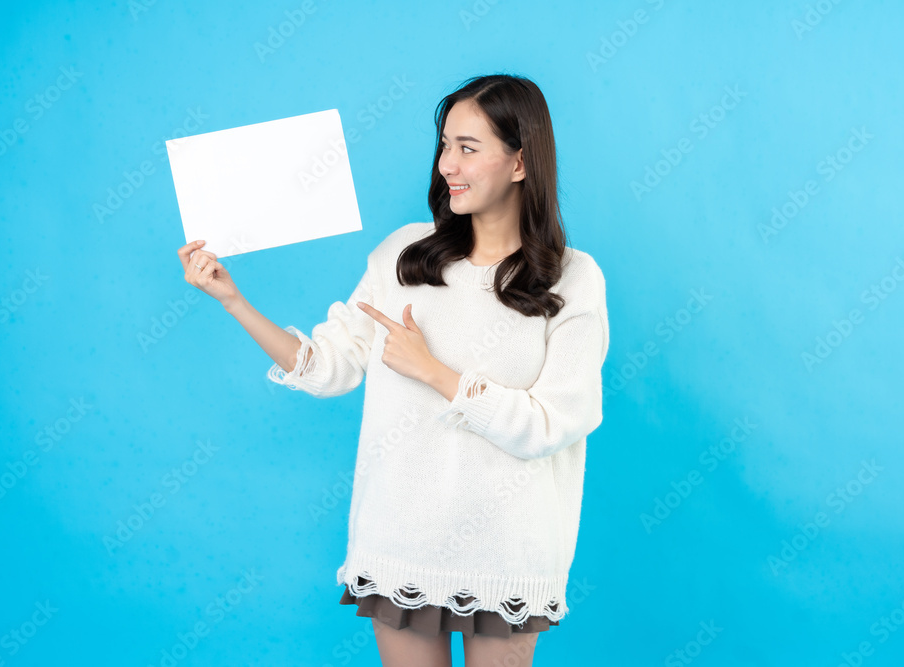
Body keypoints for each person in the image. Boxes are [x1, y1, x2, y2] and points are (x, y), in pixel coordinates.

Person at [176, 73, 609, 667]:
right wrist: (233, 301)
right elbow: (326, 367)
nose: (447, 165)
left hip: (509, 551)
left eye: (468, 148)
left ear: (520, 162)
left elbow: (553, 425)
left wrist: (434, 372)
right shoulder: (404, 254)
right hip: (402, 542)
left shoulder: (573, 278)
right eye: (444, 145)